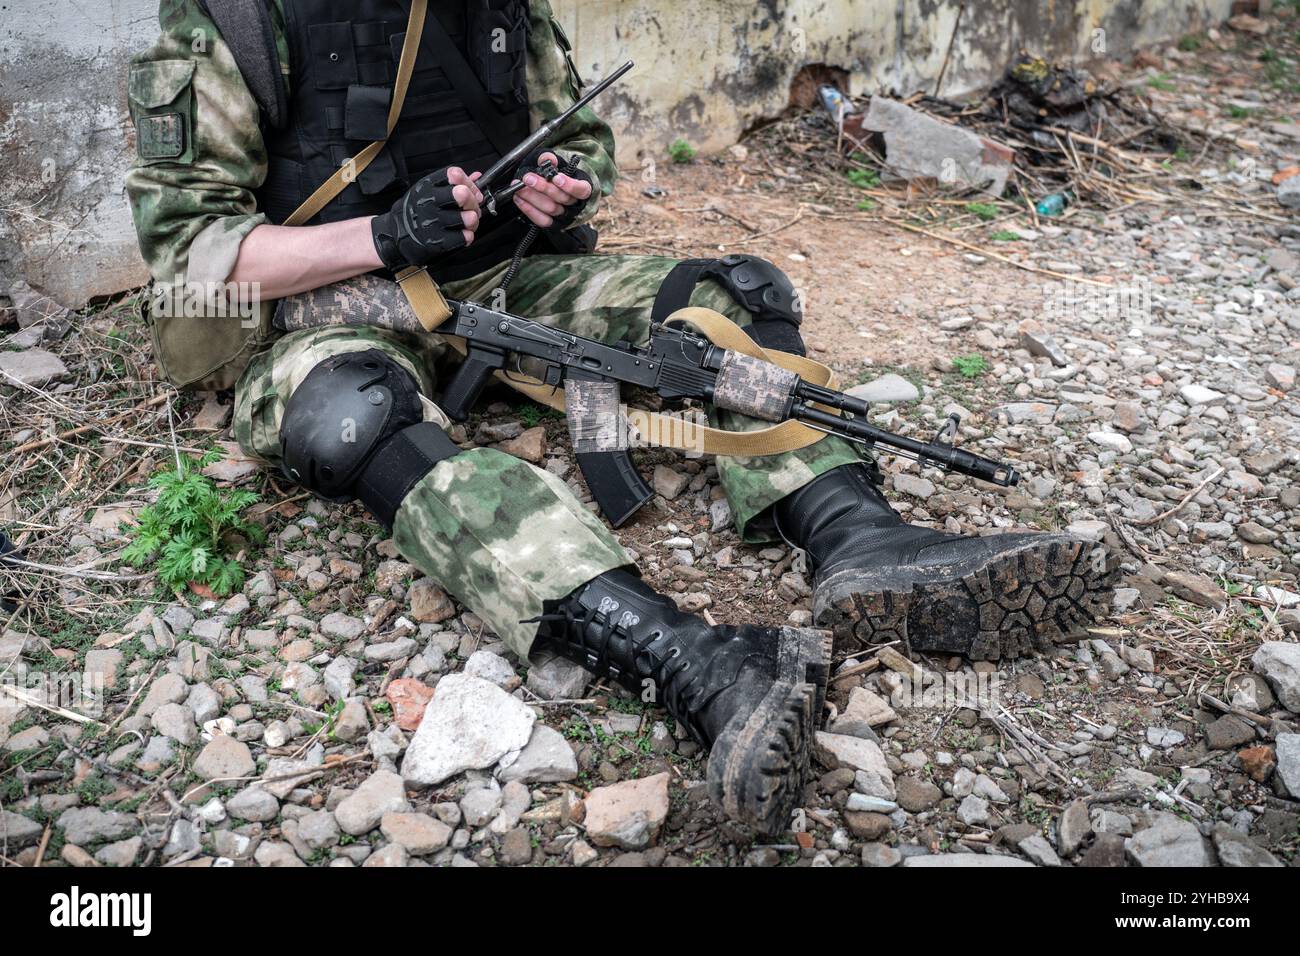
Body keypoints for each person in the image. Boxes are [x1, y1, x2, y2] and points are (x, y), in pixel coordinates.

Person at [125, 0, 1111, 834]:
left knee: (725, 292)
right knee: (355, 417)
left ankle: (860, 536)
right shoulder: (240, 20)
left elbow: (576, 137)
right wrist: (377, 233)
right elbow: (192, 251)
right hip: (333, 311)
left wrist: (561, 188)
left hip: (512, 280)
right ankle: (690, 656)